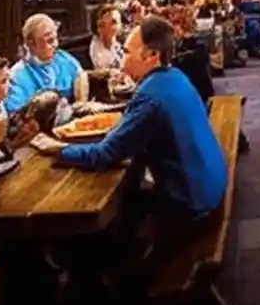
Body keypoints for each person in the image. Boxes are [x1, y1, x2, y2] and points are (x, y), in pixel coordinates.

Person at [31, 16, 227, 283]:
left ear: (152, 55)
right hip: (208, 188)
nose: (122, 57)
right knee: (130, 200)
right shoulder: (175, 77)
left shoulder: (150, 97)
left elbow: (103, 154)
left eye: (127, 51)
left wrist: (57, 148)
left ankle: (95, 286)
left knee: (85, 242)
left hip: (190, 207)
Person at [5, 14, 86, 130]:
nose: (56, 45)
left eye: (56, 38)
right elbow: (17, 119)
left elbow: (81, 82)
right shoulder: (17, 76)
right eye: (49, 40)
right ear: (30, 44)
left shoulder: (65, 60)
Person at [89, 4, 125, 72]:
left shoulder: (119, 44)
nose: (119, 25)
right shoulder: (95, 50)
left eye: (115, 22)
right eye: (101, 25)